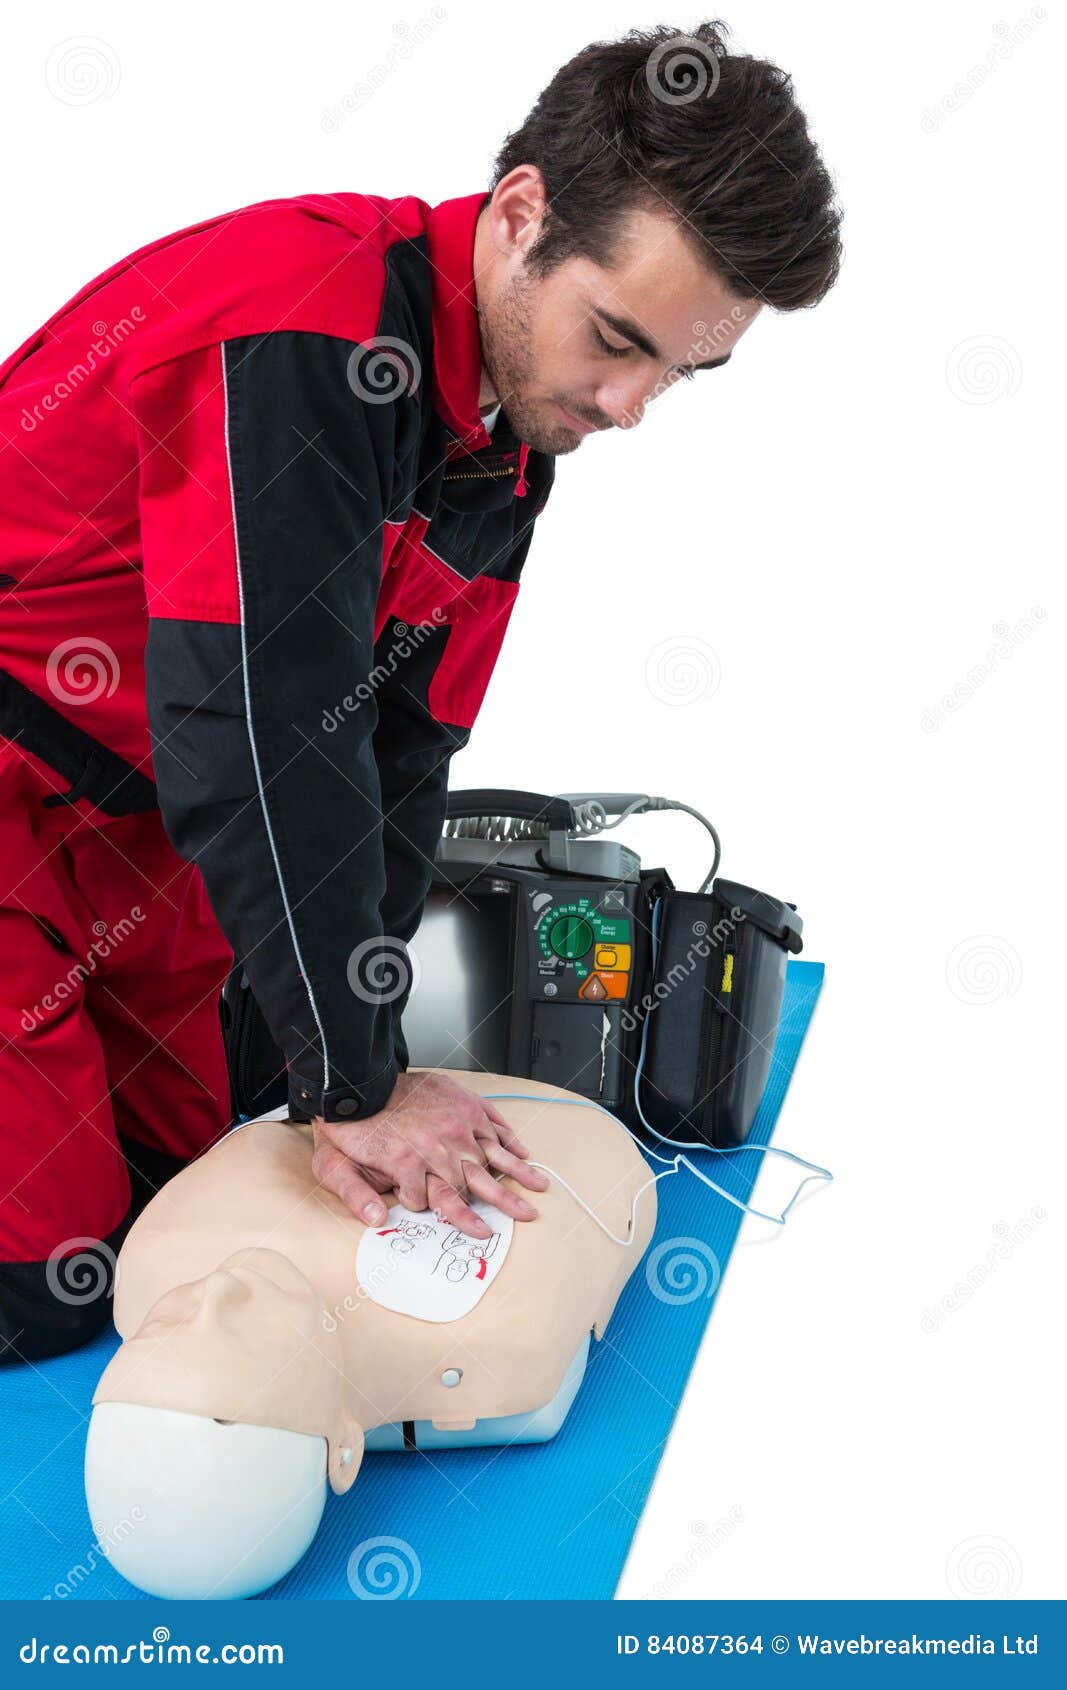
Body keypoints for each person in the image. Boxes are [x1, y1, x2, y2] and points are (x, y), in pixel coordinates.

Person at [0, 21, 842, 1359]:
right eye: (617, 340)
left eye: (677, 374)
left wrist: (358, 1049)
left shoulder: (507, 440)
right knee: (59, 1279)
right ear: (520, 217)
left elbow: (401, 741)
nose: (630, 406)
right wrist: (362, 1079)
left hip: (138, 840)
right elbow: (257, 721)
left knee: (211, 1171)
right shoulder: (302, 332)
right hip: (26, 785)